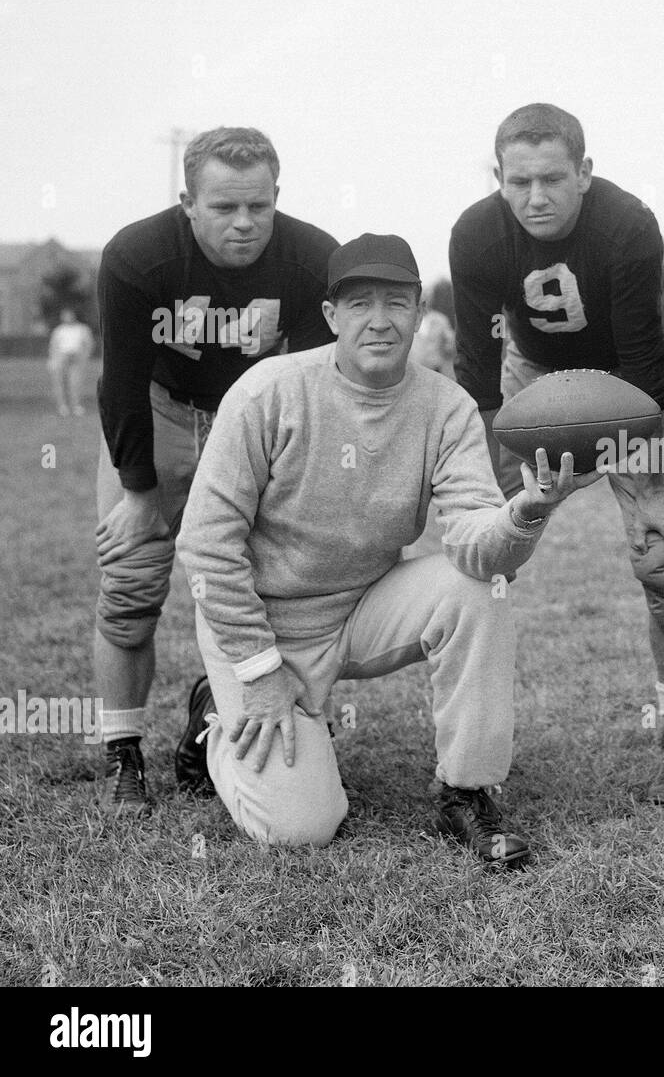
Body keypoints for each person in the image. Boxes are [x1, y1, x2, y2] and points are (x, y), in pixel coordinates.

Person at [175, 234, 599, 864]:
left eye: (396, 302)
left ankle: (467, 791)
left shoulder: (446, 406)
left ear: (418, 310)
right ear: (330, 316)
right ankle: (217, 719)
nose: (380, 320)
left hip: (360, 605)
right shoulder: (270, 391)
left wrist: (526, 512)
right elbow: (206, 544)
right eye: (360, 303)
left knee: (476, 589)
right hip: (264, 631)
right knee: (301, 829)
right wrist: (258, 673)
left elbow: (474, 547)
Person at [450, 104, 664, 778]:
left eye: (554, 179)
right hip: (532, 379)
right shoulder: (476, 234)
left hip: (627, 383)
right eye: (519, 181)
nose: (536, 197)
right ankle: (466, 738)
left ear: (585, 173)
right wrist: (487, 487)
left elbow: (648, 368)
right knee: (480, 554)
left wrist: (652, 487)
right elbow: (478, 379)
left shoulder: (625, 224)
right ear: (498, 177)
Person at [93, 126, 337, 816]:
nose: (244, 223)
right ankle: (123, 753)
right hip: (161, 409)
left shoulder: (312, 256)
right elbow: (120, 380)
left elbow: (315, 386)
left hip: (251, 422)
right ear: (187, 202)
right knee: (130, 582)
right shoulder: (138, 255)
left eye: (259, 206)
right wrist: (140, 490)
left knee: (271, 579)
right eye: (225, 207)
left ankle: (218, 711)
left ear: (277, 197)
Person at [48, 308, 95, 416]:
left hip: (76, 358)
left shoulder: (82, 329)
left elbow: (89, 344)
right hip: (62, 358)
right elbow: (53, 346)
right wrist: (53, 359)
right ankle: (62, 406)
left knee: (75, 383)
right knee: (59, 383)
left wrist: (84, 356)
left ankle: (76, 405)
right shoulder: (59, 330)